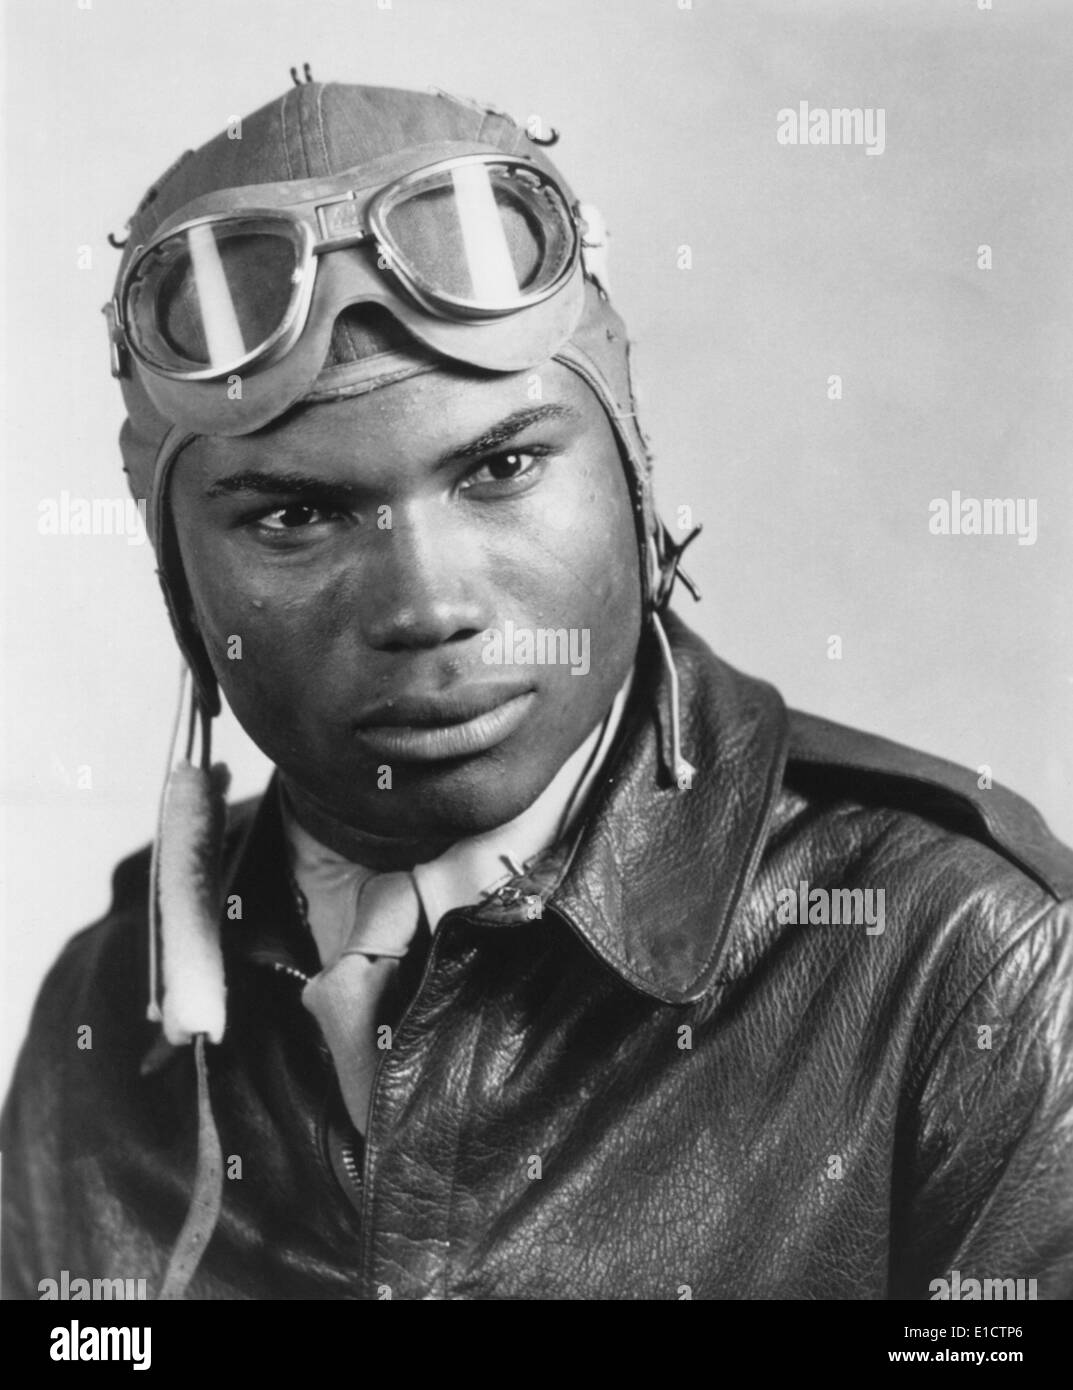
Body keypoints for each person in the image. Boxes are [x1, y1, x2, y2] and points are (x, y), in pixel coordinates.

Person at [3, 74, 1071, 1303]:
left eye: (501, 466)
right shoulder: (101, 1025)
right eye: (296, 514)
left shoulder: (962, 972)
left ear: (631, 485)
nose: (424, 603)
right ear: (181, 584)